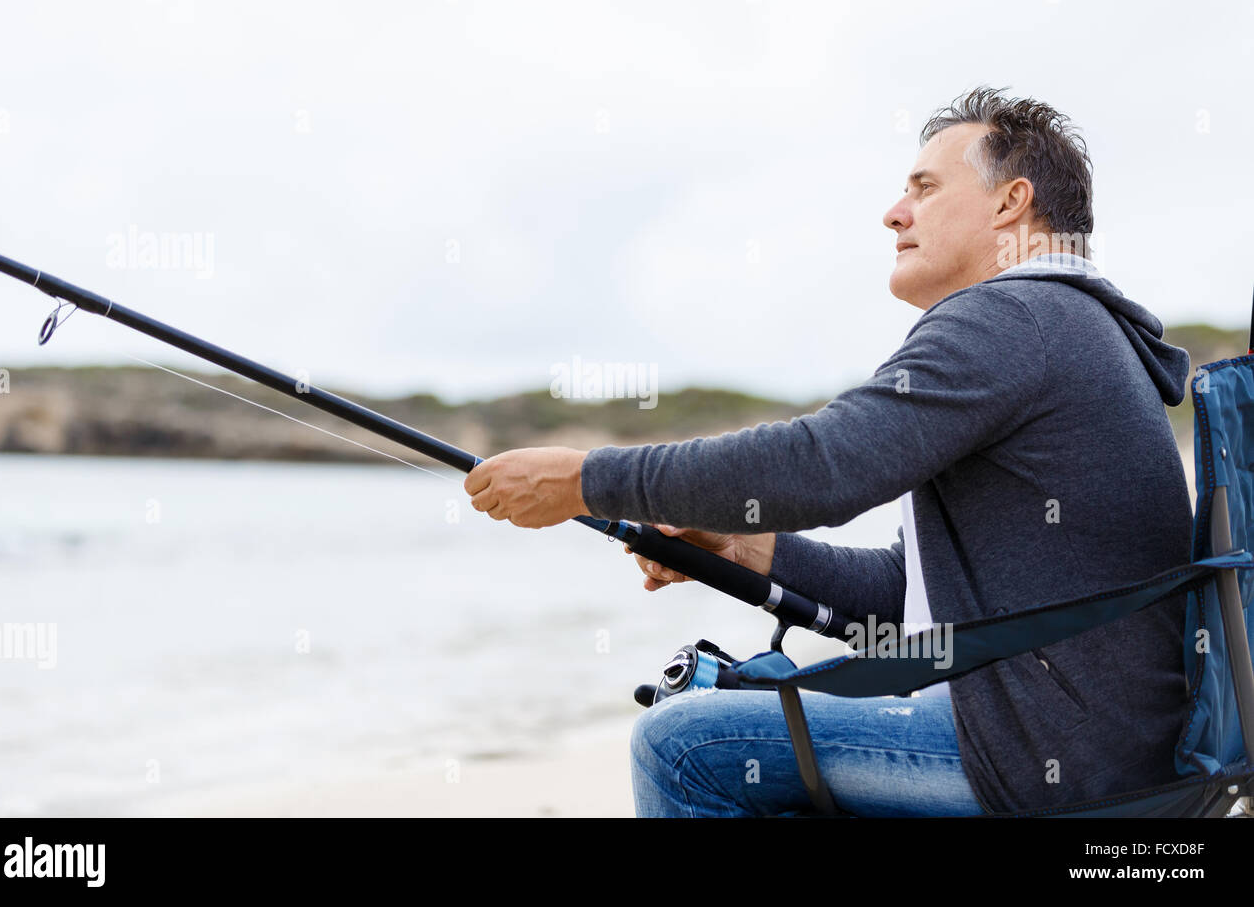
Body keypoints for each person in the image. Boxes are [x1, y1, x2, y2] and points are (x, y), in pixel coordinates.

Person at [463, 87, 1193, 816]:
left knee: (682, 744)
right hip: (1089, 742)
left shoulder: (1017, 316)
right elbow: (908, 602)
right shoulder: (1064, 324)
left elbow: (821, 466)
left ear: (1010, 205)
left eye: (925, 188)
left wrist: (587, 479)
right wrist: (750, 550)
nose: (894, 213)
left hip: (1052, 760)